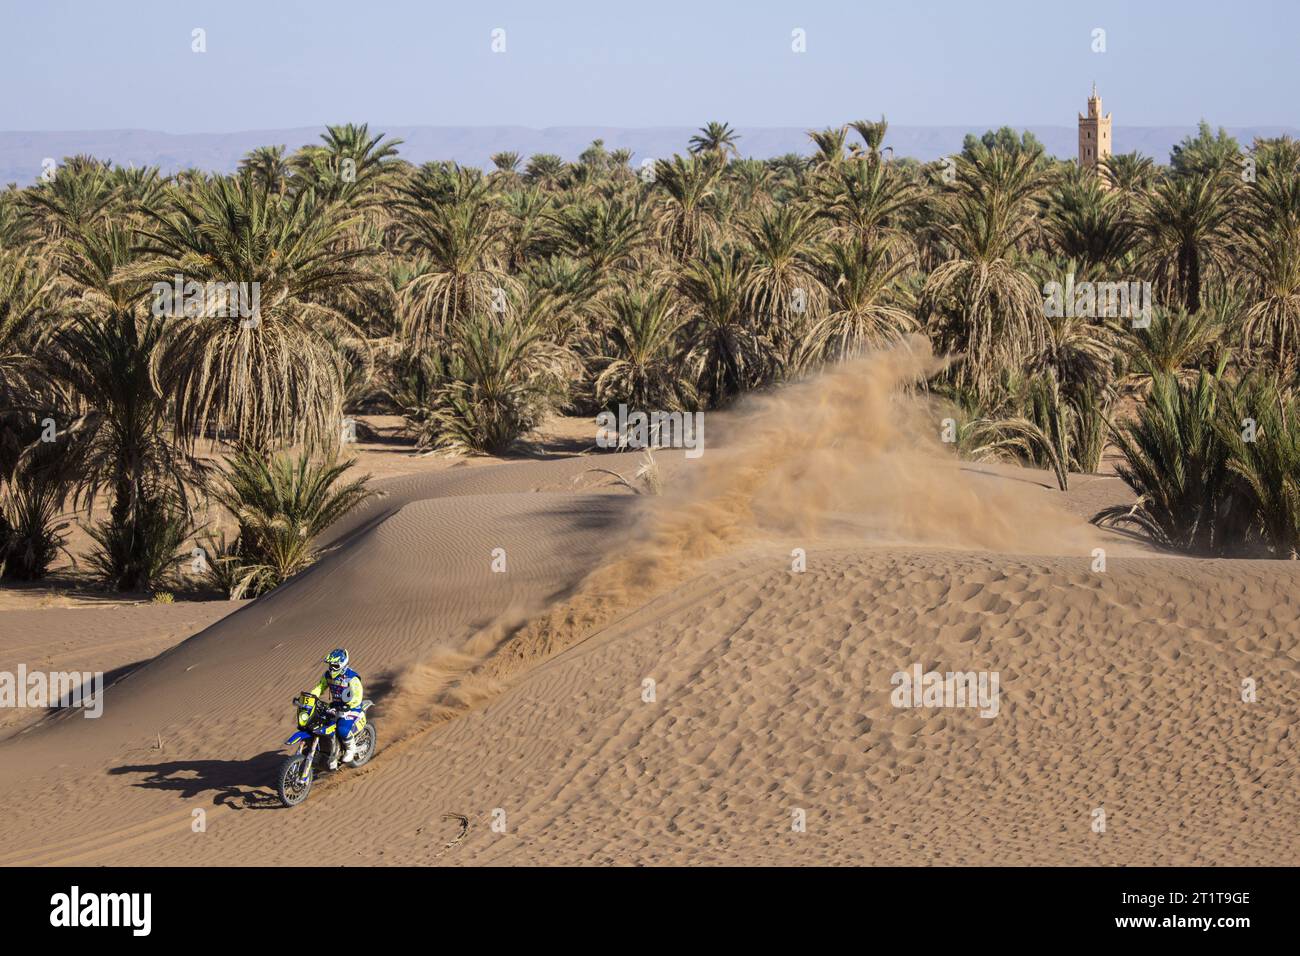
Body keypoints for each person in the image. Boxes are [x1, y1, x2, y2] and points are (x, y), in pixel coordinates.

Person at [310, 648, 364, 768]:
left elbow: (358, 696)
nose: (331, 668)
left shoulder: (352, 677)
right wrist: (311, 697)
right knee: (321, 725)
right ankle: (331, 754)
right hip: (336, 706)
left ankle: (351, 748)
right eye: (330, 665)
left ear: (342, 665)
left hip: (352, 708)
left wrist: (348, 707)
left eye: (335, 665)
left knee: (342, 729)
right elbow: (320, 687)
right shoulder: (328, 675)